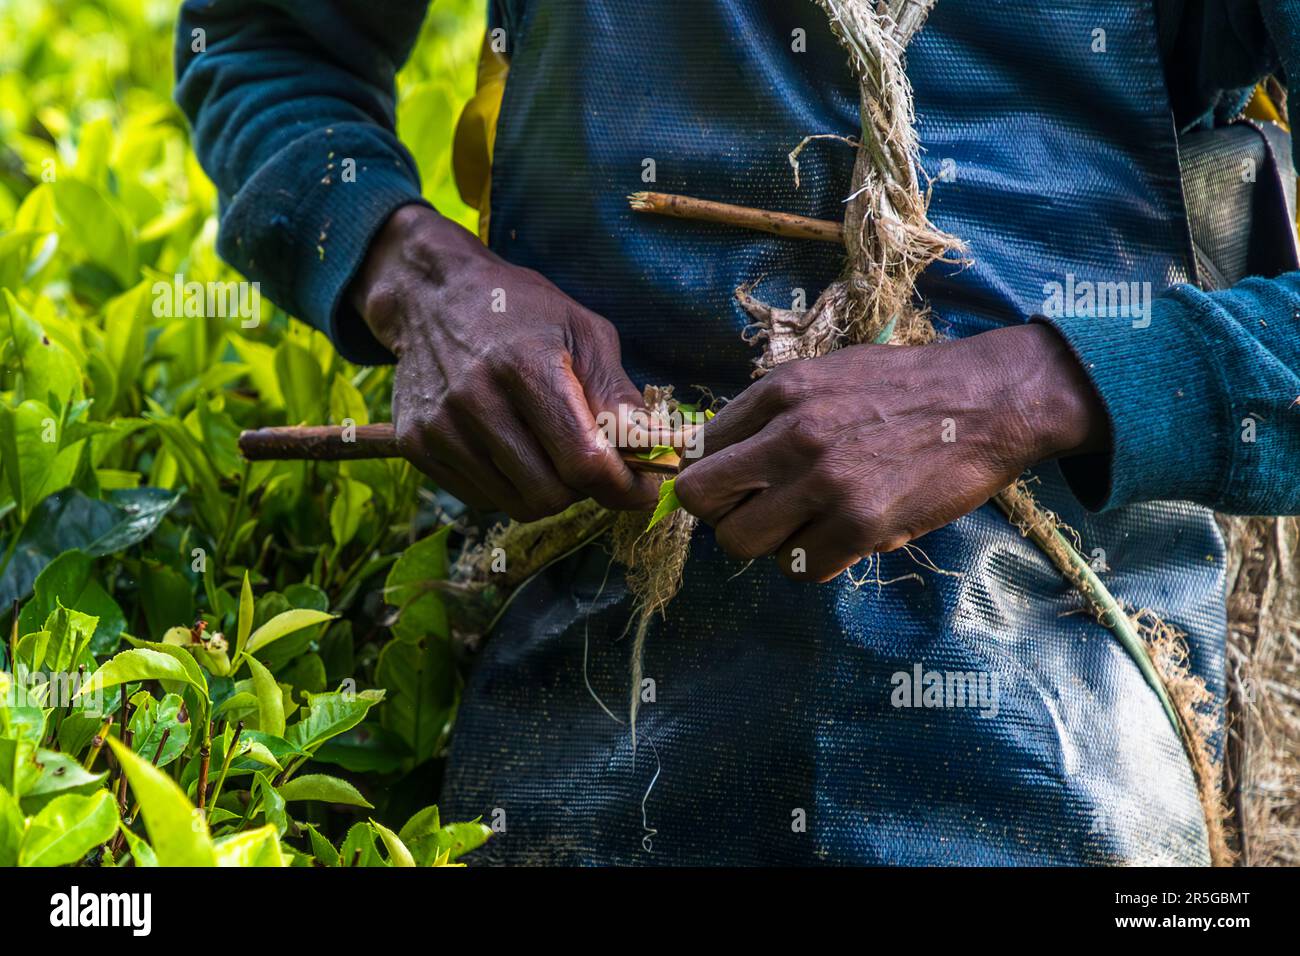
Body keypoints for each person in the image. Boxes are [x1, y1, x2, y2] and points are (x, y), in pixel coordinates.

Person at [176, 0, 1300, 864]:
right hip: (580, 712)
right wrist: (416, 273)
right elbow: (266, 42)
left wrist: (1019, 391)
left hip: (1074, 737)